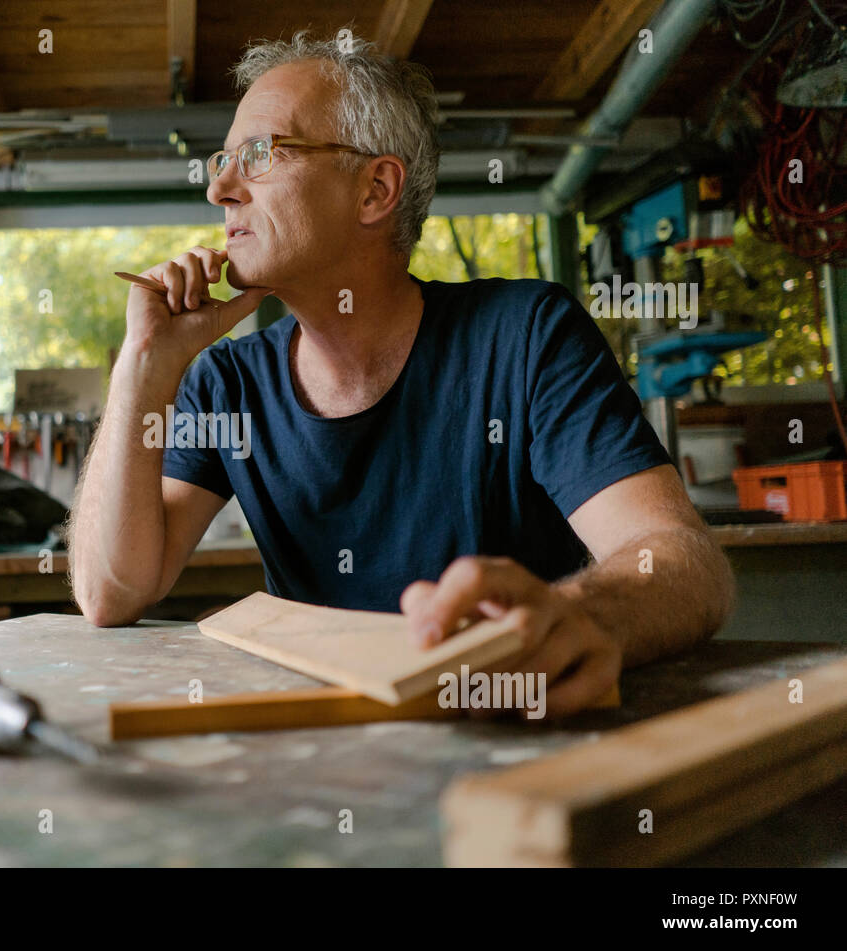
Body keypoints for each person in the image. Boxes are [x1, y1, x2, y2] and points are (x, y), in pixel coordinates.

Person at [68, 31, 735, 717]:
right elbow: (112, 592)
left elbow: (683, 562)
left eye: (260, 154)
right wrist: (143, 366)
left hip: (511, 737)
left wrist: (576, 616)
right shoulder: (227, 385)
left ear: (375, 189)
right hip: (320, 758)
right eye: (222, 160)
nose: (219, 187)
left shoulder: (526, 335)